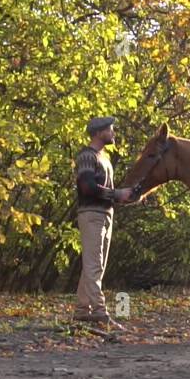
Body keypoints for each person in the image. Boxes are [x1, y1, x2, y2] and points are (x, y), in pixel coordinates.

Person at [74, 117, 132, 324]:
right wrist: (117, 194)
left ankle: (82, 309)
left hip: (105, 213)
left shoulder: (104, 158)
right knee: (94, 264)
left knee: (95, 264)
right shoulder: (87, 156)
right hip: (91, 214)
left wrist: (127, 196)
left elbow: (105, 190)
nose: (113, 133)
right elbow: (87, 187)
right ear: (99, 133)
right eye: (110, 130)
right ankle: (99, 311)